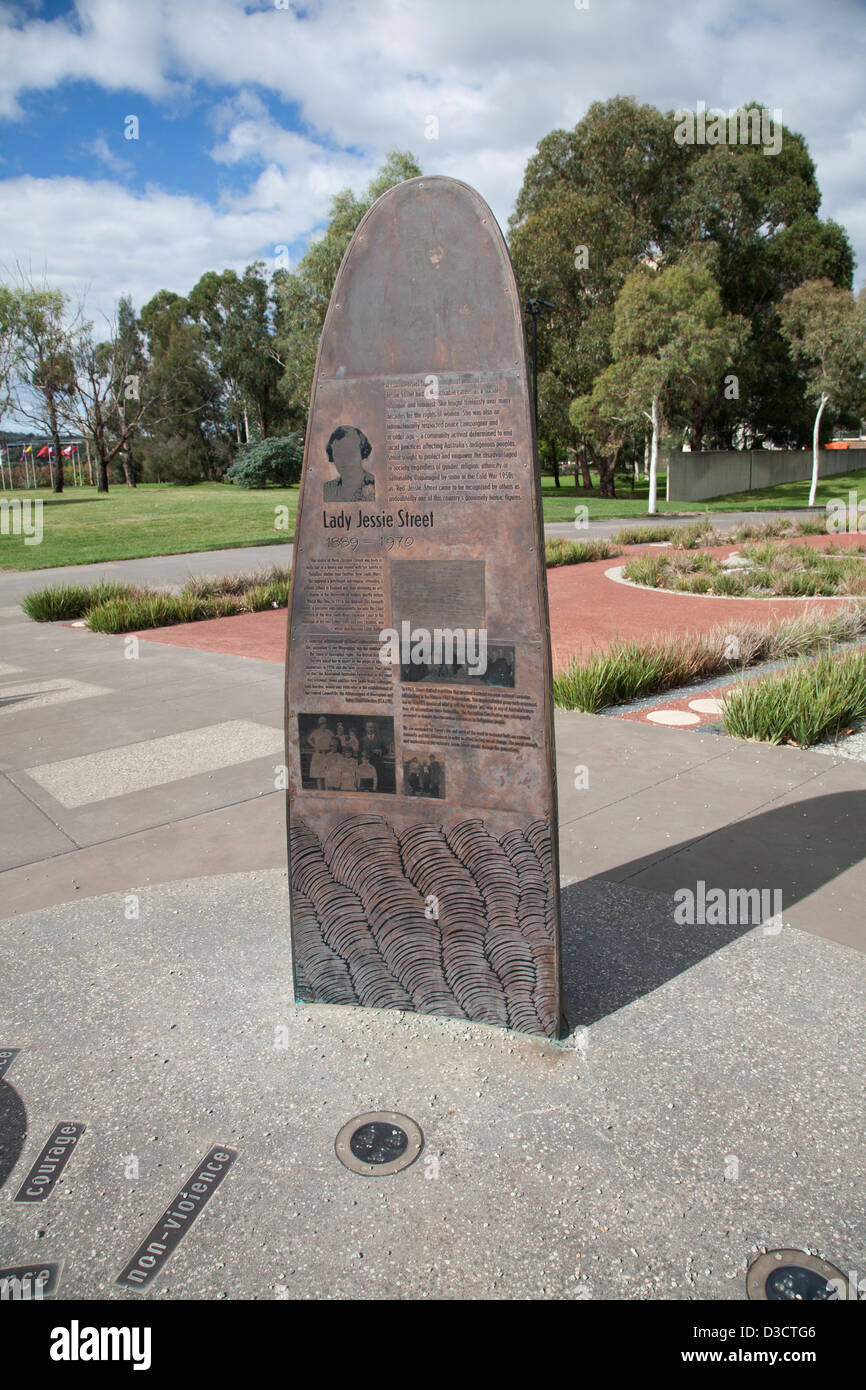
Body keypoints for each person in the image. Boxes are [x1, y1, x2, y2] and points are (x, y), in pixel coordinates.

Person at [323, 425, 375, 502]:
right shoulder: (327, 489)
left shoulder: (376, 484)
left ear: (362, 453)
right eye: (338, 454)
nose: (345, 460)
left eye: (351, 453)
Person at [307, 717, 334, 789]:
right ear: (319, 724)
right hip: (318, 754)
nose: (323, 725)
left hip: (326, 754)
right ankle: (320, 790)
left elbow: (334, 739)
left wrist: (331, 747)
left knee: (326, 774)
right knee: (318, 774)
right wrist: (314, 745)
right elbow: (309, 739)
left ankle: (327, 791)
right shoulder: (316, 732)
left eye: (324, 723)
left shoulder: (329, 732)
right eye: (322, 724)